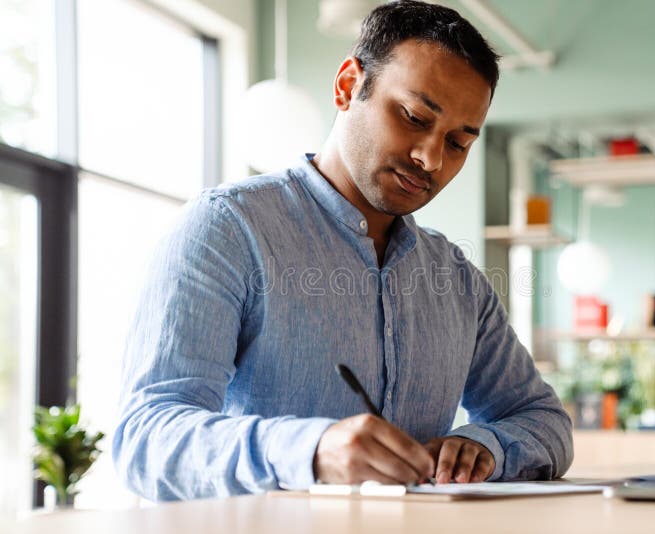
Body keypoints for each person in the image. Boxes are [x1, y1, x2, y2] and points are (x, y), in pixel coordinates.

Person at [113, 0, 573, 501]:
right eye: (415, 116)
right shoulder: (227, 229)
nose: (431, 158)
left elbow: (543, 421)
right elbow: (146, 438)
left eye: (459, 143)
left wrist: (486, 445)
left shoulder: (456, 279)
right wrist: (310, 451)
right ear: (348, 85)